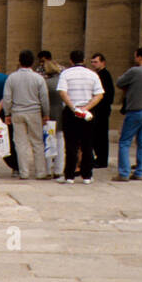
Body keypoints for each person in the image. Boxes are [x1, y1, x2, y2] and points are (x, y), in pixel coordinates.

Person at [56, 49, 104, 184]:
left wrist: (73, 108)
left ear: (71, 60)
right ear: (83, 59)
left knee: (71, 145)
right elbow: (99, 94)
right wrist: (86, 108)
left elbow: (62, 92)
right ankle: (87, 175)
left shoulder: (66, 74)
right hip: (87, 112)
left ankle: (70, 175)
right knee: (87, 144)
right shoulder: (92, 75)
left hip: (71, 112)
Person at [2, 49, 50, 179]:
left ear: (19, 61)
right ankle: (40, 172)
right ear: (32, 62)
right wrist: (46, 113)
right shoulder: (38, 78)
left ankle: (24, 172)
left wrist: (7, 113)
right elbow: (44, 98)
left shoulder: (12, 77)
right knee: (37, 142)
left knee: (20, 143)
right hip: (34, 112)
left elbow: (7, 97)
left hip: (17, 112)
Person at [113, 48, 142, 182]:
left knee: (124, 142)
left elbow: (120, 82)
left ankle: (124, 172)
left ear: (139, 57)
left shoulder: (135, 71)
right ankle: (140, 171)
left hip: (136, 109)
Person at [89, 53, 114, 169]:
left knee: (101, 136)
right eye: (92, 62)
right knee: (95, 135)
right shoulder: (97, 75)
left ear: (103, 62)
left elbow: (107, 95)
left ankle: (102, 160)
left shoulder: (105, 75)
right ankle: (98, 158)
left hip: (102, 111)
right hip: (97, 110)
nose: (94, 64)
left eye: (96, 62)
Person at [44, 59, 66, 178]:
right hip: (61, 113)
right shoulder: (62, 81)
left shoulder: (45, 83)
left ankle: (47, 169)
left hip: (48, 114)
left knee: (48, 141)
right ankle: (59, 169)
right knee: (60, 142)